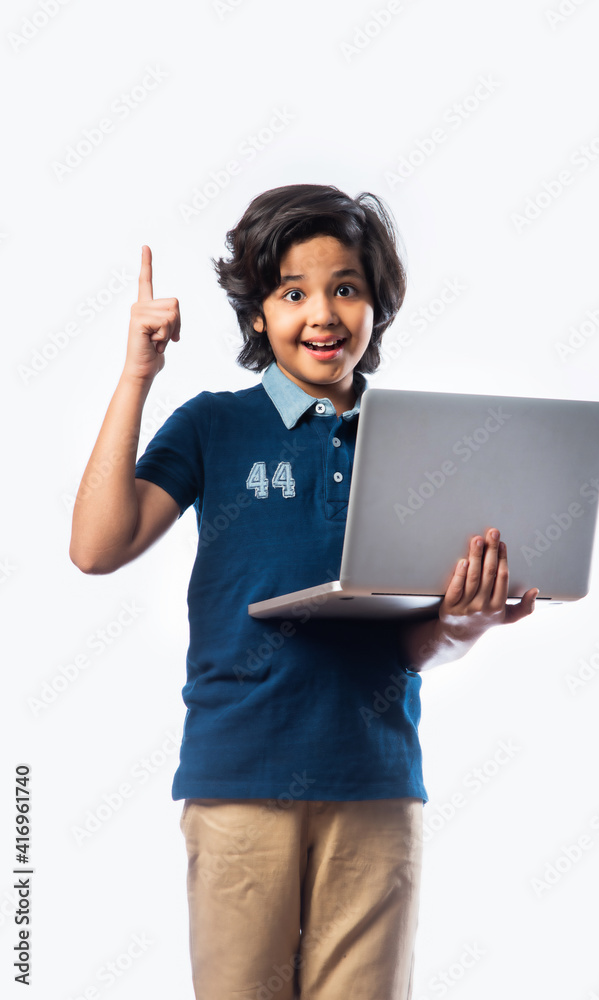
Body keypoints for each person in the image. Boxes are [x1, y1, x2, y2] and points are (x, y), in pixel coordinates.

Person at [69, 183, 537, 1000]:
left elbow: (415, 644)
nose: (322, 313)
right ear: (258, 316)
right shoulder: (214, 424)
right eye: (293, 292)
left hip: (376, 788)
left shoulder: (421, 446)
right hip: (238, 784)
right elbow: (96, 547)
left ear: (375, 308)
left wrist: (467, 623)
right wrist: (137, 375)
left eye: (345, 289)